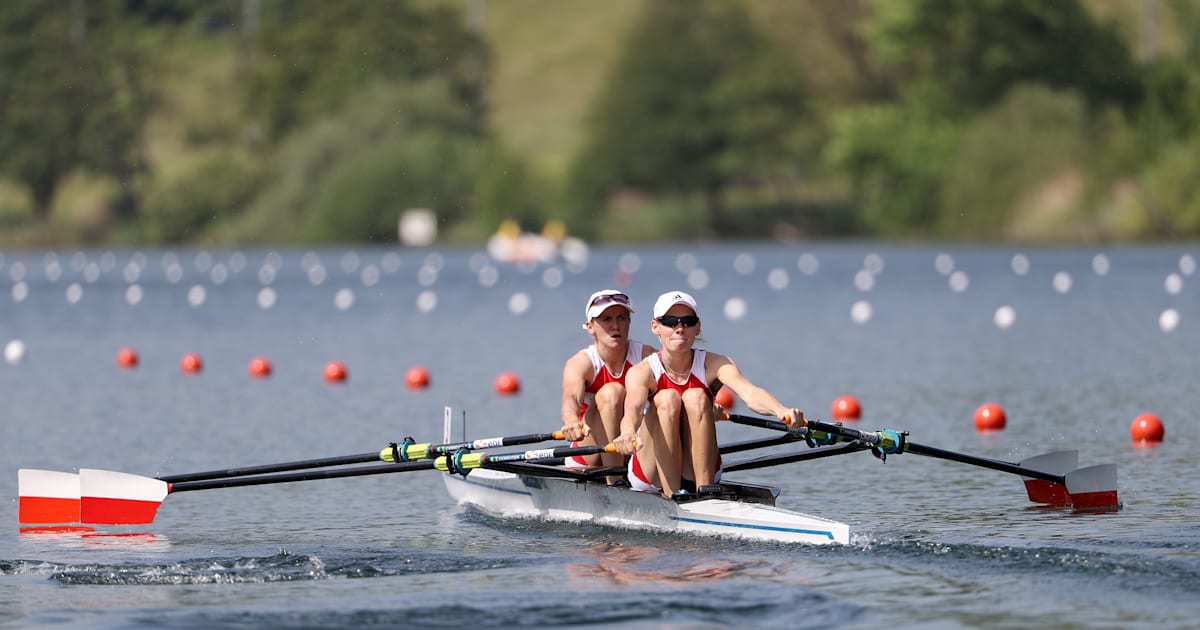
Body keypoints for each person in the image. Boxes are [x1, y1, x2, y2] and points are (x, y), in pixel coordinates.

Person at [613, 291, 804, 498]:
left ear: (698, 327)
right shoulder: (642, 372)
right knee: (667, 398)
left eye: (688, 321)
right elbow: (632, 410)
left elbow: (749, 392)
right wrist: (627, 433)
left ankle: (706, 494)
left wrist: (780, 410)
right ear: (655, 327)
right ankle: (671, 495)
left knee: (695, 396)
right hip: (651, 472)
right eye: (670, 321)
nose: (679, 328)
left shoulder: (716, 364)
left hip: (696, 469)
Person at [561, 290, 657, 483]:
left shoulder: (647, 357)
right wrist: (571, 421)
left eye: (622, 318)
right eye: (606, 319)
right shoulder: (582, 363)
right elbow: (571, 399)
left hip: (634, 448)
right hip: (589, 454)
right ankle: (615, 480)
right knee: (612, 392)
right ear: (590, 327)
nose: (616, 326)